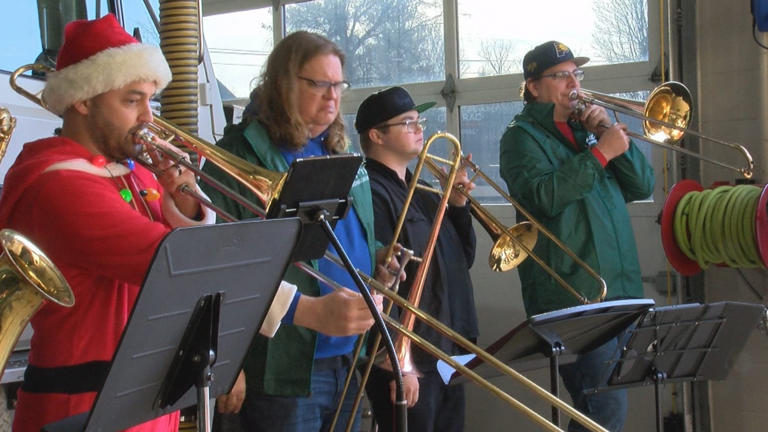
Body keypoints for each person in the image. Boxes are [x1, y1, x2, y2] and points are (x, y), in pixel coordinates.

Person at [0, 14, 216, 432]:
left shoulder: (132, 170)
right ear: (83, 99)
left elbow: (180, 241)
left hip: (143, 402)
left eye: (150, 101)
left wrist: (183, 196)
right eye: (132, 101)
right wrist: (301, 309)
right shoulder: (59, 182)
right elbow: (175, 265)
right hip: (83, 407)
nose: (148, 119)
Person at [200, 31, 392, 432]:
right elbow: (219, 269)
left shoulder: (337, 151)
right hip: (280, 368)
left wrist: (379, 259)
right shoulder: (239, 156)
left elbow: (349, 237)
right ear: (284, 84)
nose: (332, 97)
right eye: (319, 84)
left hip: (346, 358)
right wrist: (227, 365)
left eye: (338, 85)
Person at [499, 41, 655, 432]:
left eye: (577, 74)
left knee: (603, 413)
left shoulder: (587, 130)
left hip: (621, 292)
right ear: (533, 86)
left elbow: (641, 185)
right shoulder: (520, 138)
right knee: (604, 414)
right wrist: (599, 154)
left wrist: (604, 130)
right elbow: (543, 198)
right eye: (562, 75)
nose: (574, 83)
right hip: (574, 298)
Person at [355, 86, 479, 432]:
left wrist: (457, 207)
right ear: (377, 135)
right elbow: (382, 283)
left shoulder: (420, 187)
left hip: (449, 346)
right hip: (411, 356)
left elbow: (462, 259)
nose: (419, 128)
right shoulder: (368, 192)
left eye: (418, 120)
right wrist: (399, 363)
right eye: (407, 122)